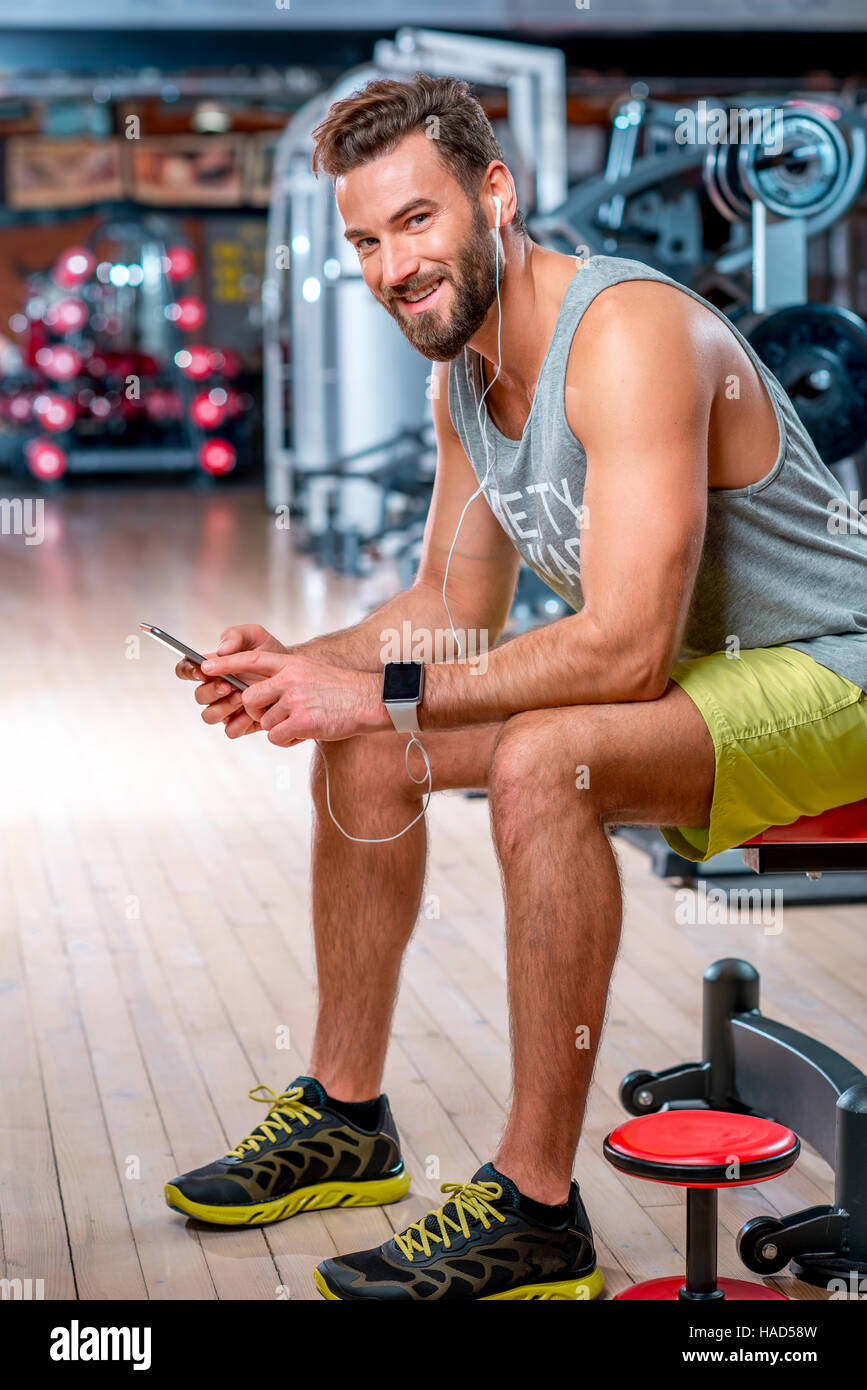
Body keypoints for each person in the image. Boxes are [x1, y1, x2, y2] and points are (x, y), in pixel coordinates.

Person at [164, 74, 867, 1301]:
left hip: (838, 666)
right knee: (376, 743)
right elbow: (447, 611)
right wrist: (300, 665)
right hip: (714, 677)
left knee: (546, 754)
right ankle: (346, 1110)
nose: (394, 267)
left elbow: (626, 651)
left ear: (496, 194)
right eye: (368, 241)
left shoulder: (630, 335)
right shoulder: (465, 386)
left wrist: (371, 686)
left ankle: (536, 1207)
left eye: (418, 222)